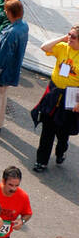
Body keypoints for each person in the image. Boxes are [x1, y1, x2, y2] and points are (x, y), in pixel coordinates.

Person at [31, 26, 79, 171]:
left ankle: (61, 151)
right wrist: (62, 39)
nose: (69, 38)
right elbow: (44, 47)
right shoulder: (63, 47)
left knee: (63, 131)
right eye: (69, 34)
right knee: (47, 129)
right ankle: (42, 161)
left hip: (71, 97)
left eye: (73, 36)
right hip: (53, 94)